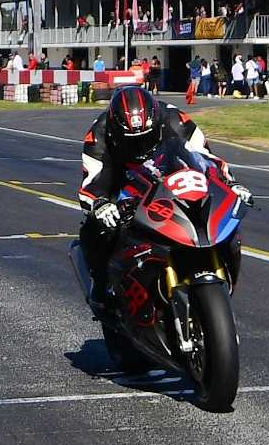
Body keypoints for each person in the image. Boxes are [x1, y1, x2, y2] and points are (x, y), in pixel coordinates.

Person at [75, 86, 242, 316]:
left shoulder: (176, 119)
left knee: (224, 216)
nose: (140, 148)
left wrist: (230, 184)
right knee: (97, 229)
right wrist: (101, 204)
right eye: (132, 142)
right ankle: (102, 286)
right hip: (122, 184)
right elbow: (91, 183)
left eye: (145, 139)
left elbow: (208, 159)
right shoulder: (98, 134)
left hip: (168, 176)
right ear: (115, 130)